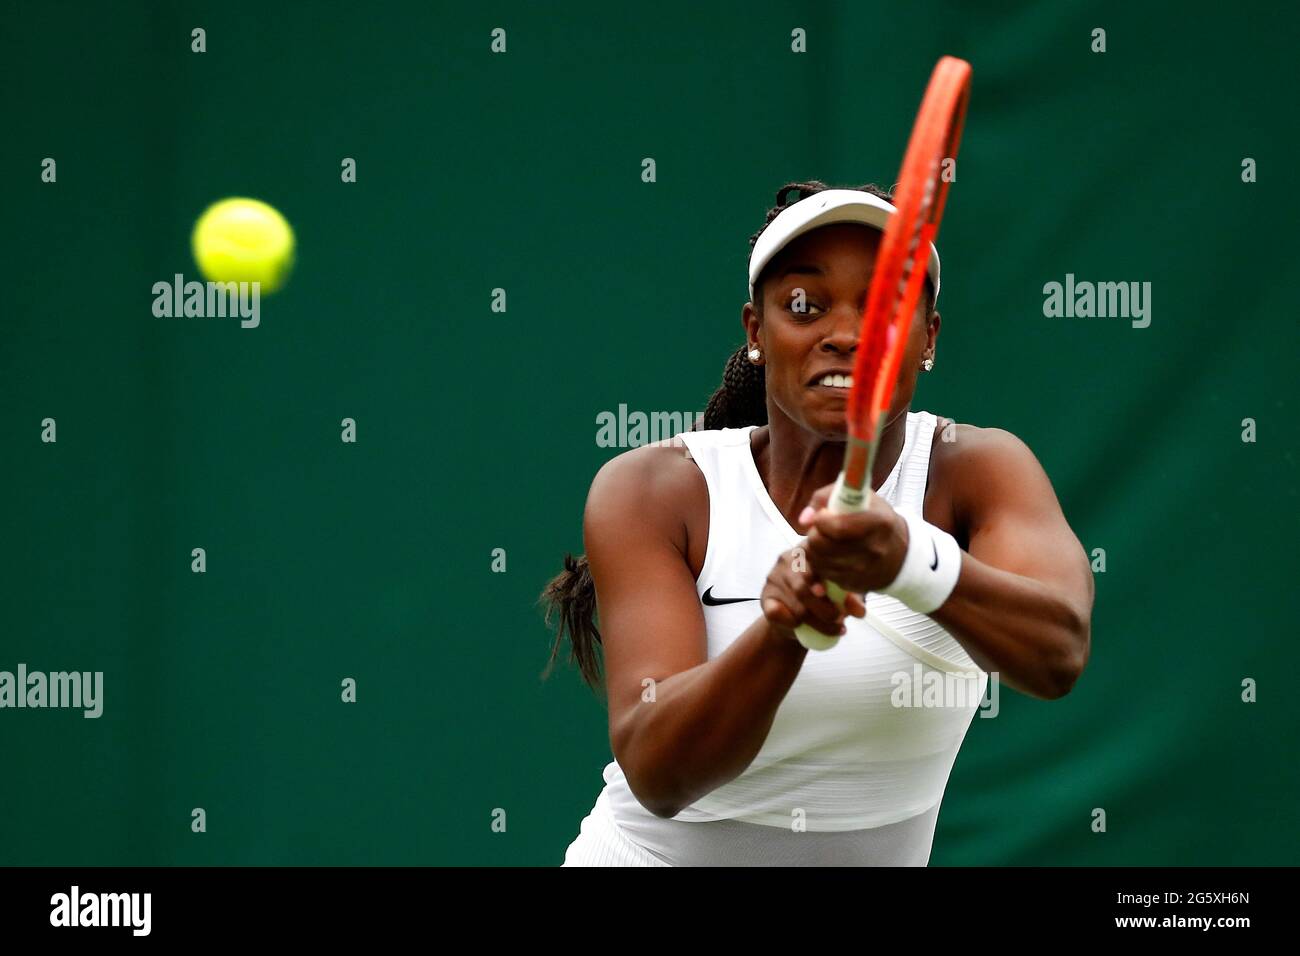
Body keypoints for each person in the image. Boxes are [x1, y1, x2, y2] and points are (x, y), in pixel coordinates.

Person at [542, 181, 1094, 866]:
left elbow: (1058, 652)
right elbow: (659, 773)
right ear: (756, 332)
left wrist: (909, 560)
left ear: (928, 338)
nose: (846, 334)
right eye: (804, 305)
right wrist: (784, 627)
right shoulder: (653, 490)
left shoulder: (977, 470)